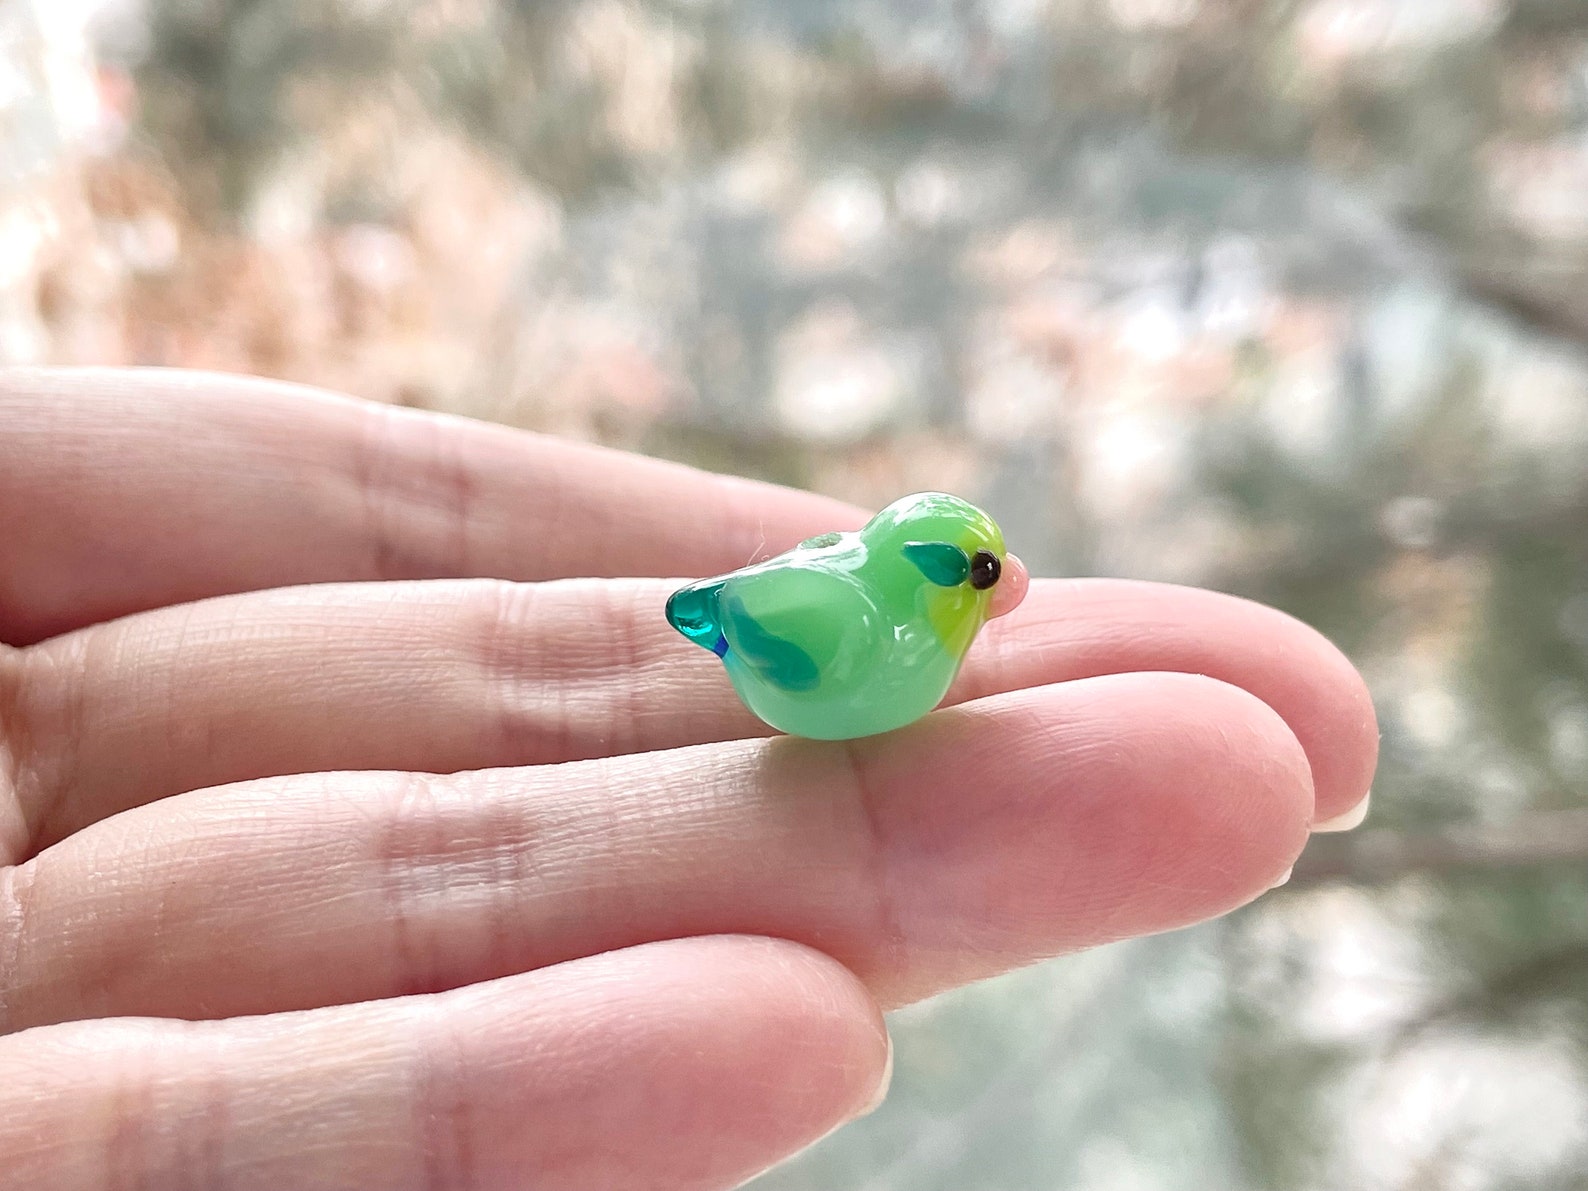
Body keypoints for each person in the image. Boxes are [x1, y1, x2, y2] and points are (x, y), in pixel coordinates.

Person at [0, 368, 1376, 1190]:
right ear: (926, 570)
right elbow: (730, 615)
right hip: (758, 660)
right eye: (973, 572)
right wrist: (725, 623)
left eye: (990, 570)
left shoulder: (918, 638)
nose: (999, 589)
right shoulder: (855, 619)